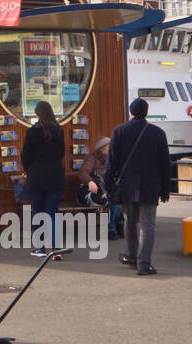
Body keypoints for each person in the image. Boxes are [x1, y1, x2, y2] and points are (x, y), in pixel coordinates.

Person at [103, 97, 172, 276]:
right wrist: (165, 189)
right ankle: (144, 263)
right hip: (150, 186)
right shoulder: (158, 133)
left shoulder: (119, 132)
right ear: (146, 112)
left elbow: (111, 164)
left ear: (131, 112)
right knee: (148, 225)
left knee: (130, 223)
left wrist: (108, 186)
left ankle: (132, 256)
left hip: (127, 186)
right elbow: (165, 164)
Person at [21, 101, 66, 257]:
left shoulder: (32, 132)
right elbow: (61, 153)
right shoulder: (59, 130)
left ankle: (40, 248)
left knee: (38, 213)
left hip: (37, 177)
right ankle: (56, 250)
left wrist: (29, 171)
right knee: (52, 213)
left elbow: (25, 156)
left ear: (38, 114)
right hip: (56, 177)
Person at [77, 135, 123, 240]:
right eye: (109, 146)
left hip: (108, 190)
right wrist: (90, 182)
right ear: (102, 148)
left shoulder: (114, 158)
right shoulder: (93, 158)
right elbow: (83, 172)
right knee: (113, 199)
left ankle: (113, 226)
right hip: (95, 192)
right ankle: (112, 227)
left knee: (117, 197)